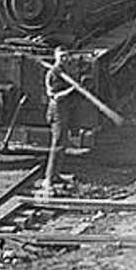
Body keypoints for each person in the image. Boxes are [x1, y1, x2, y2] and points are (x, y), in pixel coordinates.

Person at [43, 46, 75, 192]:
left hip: (65, 109)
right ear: (56, 57)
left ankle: (56, 175)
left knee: (62, 143)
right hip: (57, 110)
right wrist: (72, 89)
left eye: (66, 56)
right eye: (61, 56)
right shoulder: (52, 73)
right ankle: (48, 179)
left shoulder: (64, 71)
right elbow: (55, 95)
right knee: (56, 144)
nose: (64, 58)